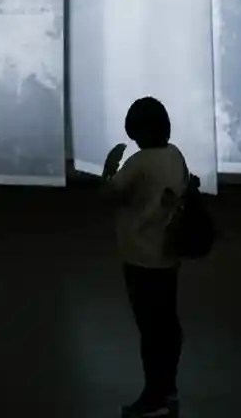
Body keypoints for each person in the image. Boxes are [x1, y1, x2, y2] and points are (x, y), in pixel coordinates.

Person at [101, 96, 188, 417]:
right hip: (168, 254)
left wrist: (109, 170)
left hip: (140, 256)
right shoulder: (175, 155)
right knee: (167, 324)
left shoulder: (138, 164)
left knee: (150, 330)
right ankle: (170, 389)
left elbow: (108, 196)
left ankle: (154, 398)